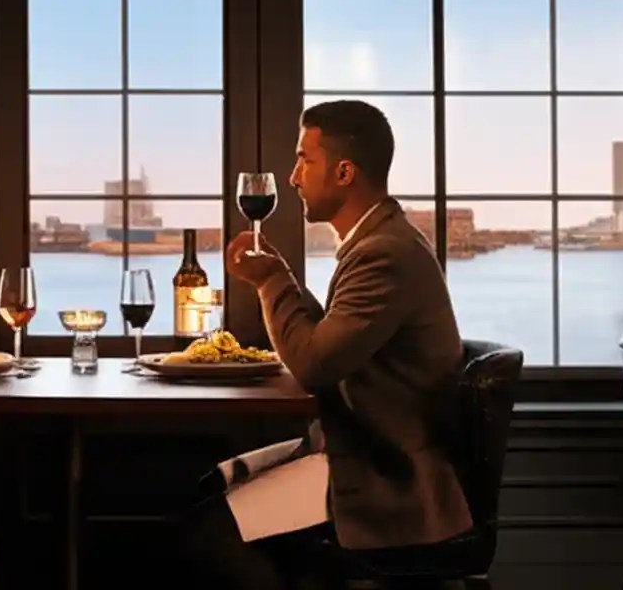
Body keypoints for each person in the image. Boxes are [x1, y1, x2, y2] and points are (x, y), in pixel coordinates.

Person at [185, 99, 472, 588]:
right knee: (208, 490)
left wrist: (271, 281)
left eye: (304, 159)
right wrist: (280, 276)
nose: (294, 177)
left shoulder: (384, 253)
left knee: (210, 532)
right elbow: (330, 341)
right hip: (355, 450)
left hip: (386, 476)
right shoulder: (378, 240)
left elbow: (314, 365)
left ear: (343, 172)